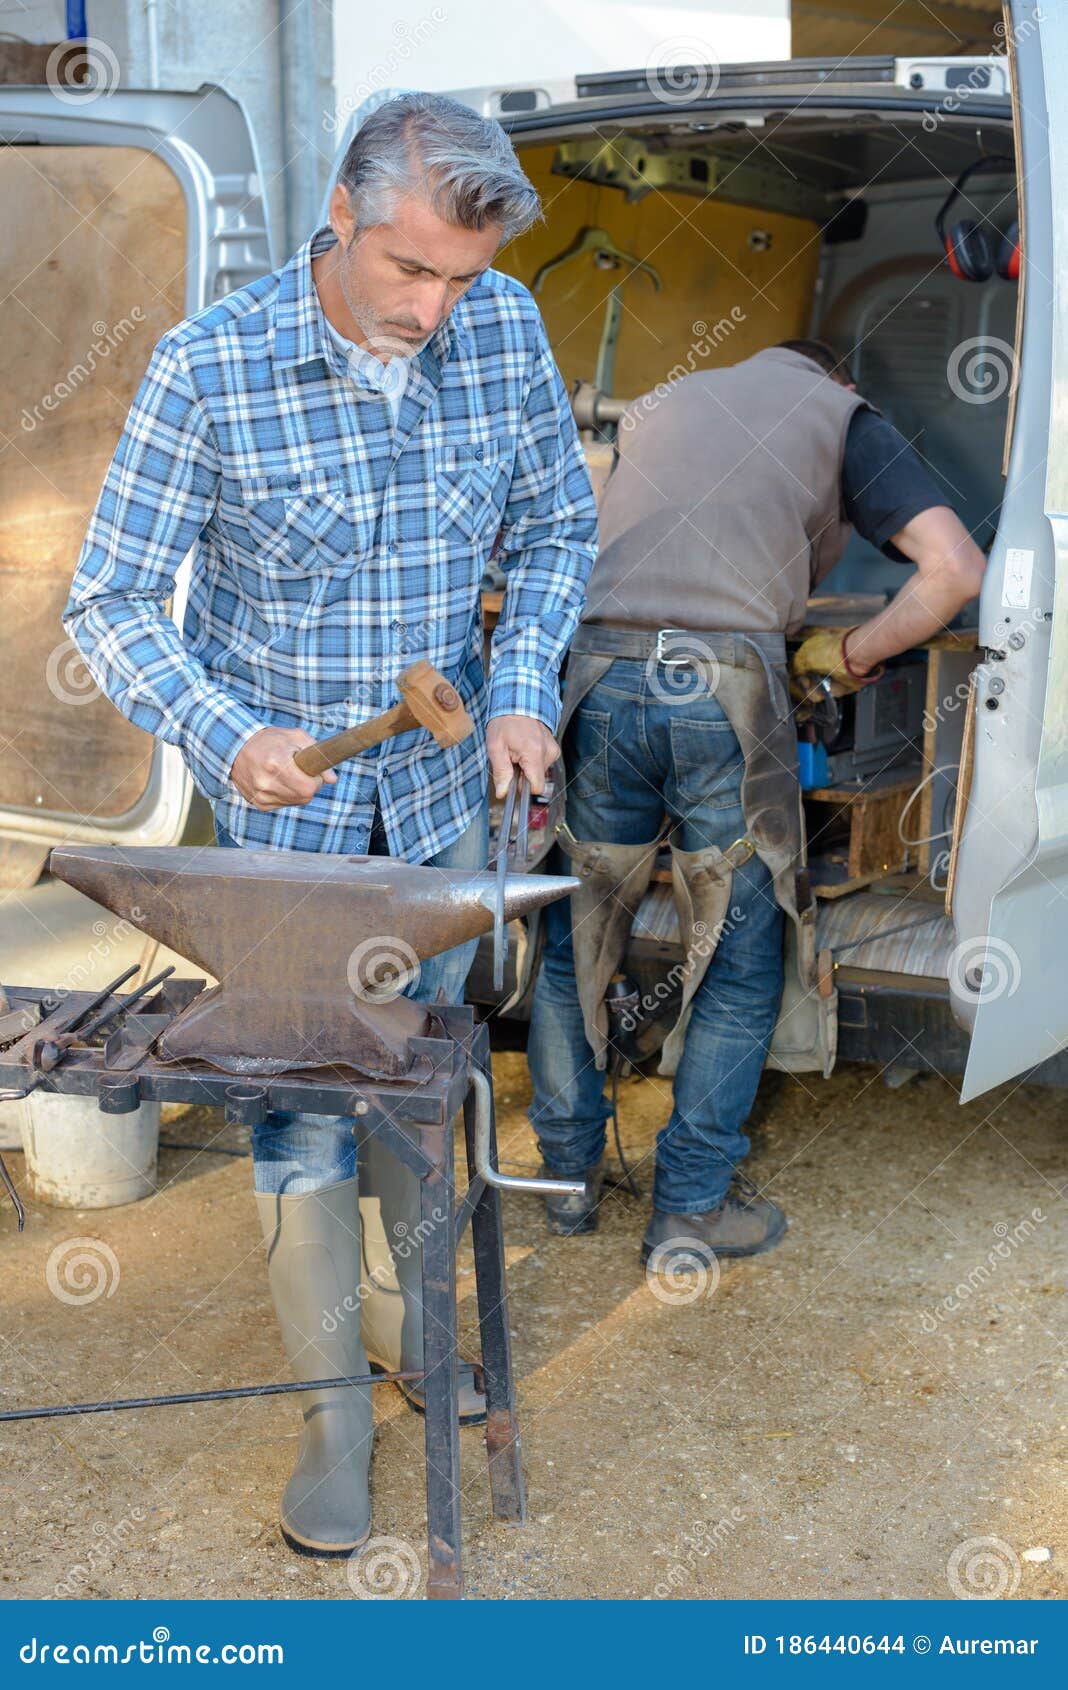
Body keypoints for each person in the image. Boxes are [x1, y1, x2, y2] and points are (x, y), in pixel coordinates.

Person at [63, 91, 597, 1557]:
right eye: (408, 270)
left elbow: (556, 527)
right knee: (302, 1107)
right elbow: (105, 601)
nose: (434, 308)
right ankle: (332, 1417)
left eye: (461, 278)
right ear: (341, 222)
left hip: (438, 816)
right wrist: (229, 730)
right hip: (282, 845)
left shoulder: (501, 336)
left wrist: (520, 685)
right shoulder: (212, 367)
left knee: (423, 1089)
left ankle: (415, 1338)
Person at [527, 338, 986, 1270]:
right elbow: (956, 569)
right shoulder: (842, 417)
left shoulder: (662, 402)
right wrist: (855, 655)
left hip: (599, 670)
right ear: (840, 385)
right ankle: (690, 1207)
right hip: (723, 690)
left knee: (579, 935)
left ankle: (564, 1183)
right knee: (738, 956)